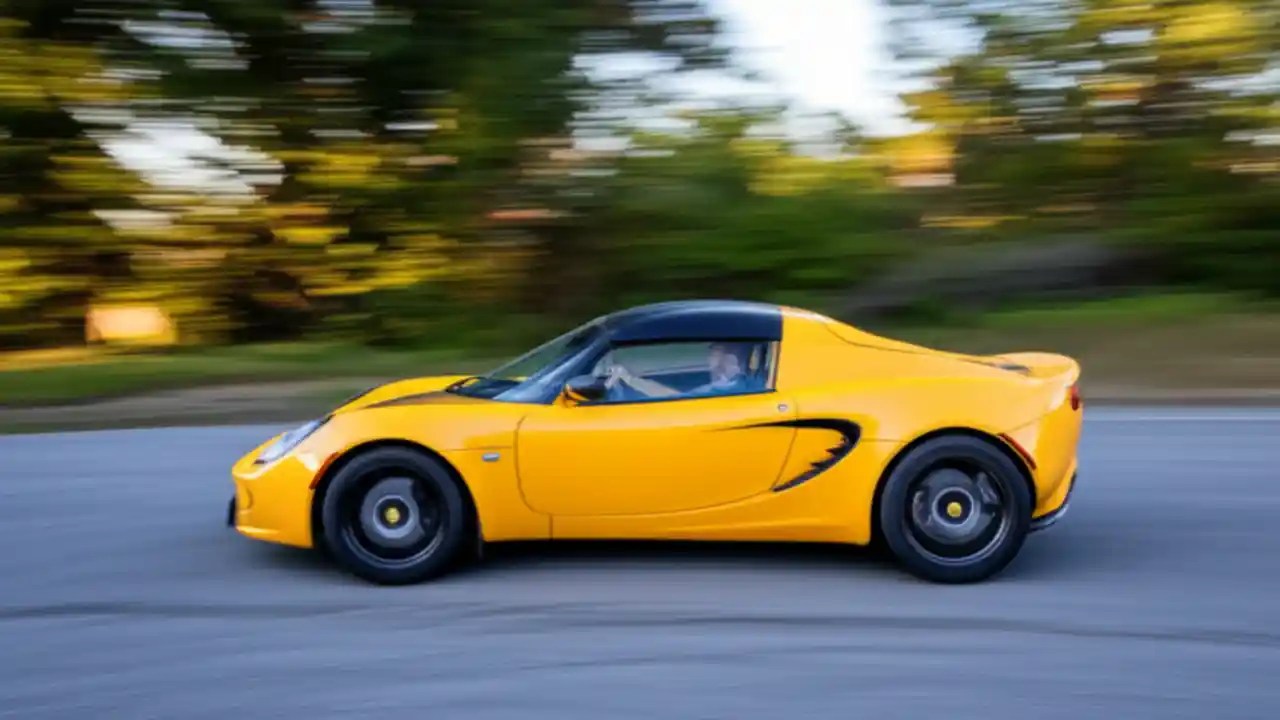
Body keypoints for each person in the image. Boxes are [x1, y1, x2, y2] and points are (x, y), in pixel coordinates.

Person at [603, 341, 757, 400]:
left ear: (731, 358)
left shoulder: (727, 389)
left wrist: (629, 379)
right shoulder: (743, 383)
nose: (709, 354)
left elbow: (673, 398)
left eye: (715, 350)